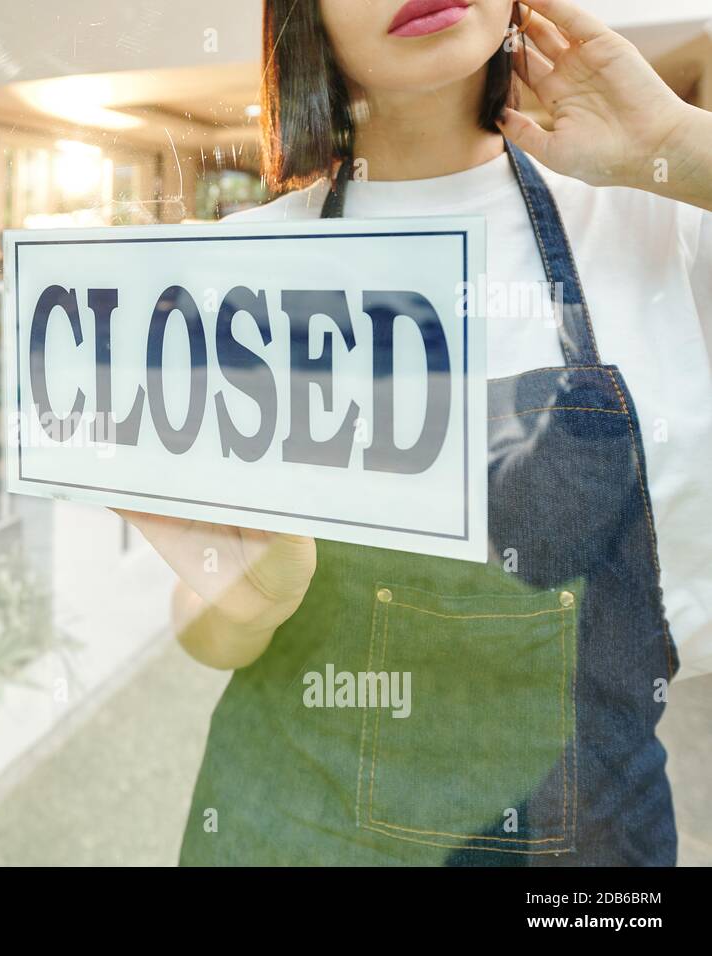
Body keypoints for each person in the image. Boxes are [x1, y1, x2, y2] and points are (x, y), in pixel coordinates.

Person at [121, 0, 712, 865]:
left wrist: (680, 146)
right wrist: (253, 590)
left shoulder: (655, 216)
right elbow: (208, 636)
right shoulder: (241, 264)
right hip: (290, 824)